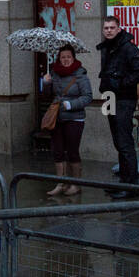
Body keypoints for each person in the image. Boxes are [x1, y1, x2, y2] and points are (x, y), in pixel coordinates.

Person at [97, 15, 139, 200]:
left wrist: (122, 83)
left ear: (119, 29)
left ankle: (131, 186)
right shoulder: (107, 48)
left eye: (112, 27)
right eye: (106, 28)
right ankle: (124, 182)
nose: (109, 30)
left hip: (124, 99)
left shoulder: (128, 47)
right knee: (118, 141)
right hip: (110, 98)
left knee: (125, 141)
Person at [41, 45, 92, 196]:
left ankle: (76, 185)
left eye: (68, 57)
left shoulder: (80, 74)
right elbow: (47, 96)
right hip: (57, 117)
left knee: (72, 151)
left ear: (73, 58)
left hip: (75, 118)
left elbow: (88, 97)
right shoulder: (54, 73)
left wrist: (71, 104)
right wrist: (46, 83)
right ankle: (61, 184)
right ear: (59, 58)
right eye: (63, 57)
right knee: (58, 151)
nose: (65, 60)